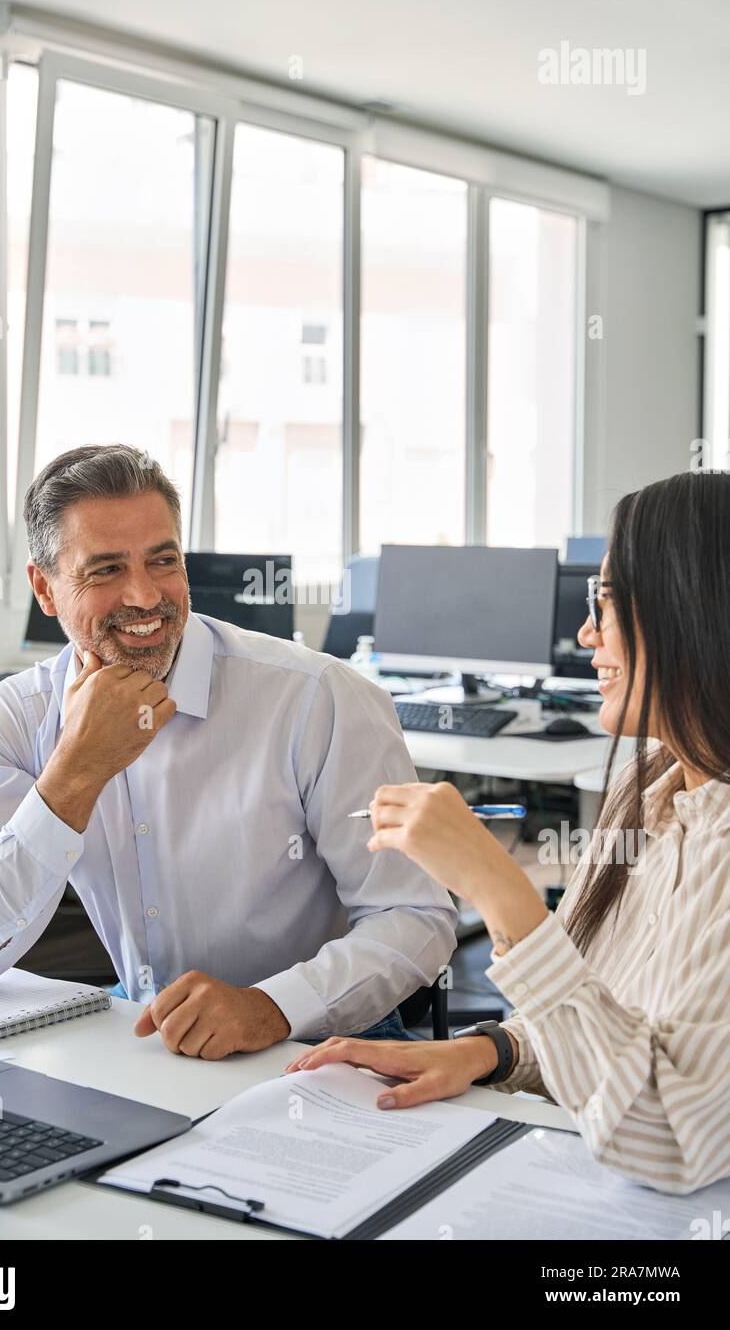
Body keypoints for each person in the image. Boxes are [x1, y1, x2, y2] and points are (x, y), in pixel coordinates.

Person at [0, 444, 457, 1058]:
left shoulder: (317, 698)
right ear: (44, 589)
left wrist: (271, 1007)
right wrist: (76, 768)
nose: (147, 597)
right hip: (149, 1030)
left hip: (322, 1037)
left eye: (163, 560)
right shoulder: (19, 715)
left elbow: (417, 916)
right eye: (105, 570)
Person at [287, 471, 730, 1195]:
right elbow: (603, 1018)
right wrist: (489, 1052)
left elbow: (668, 1140)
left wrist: (497, 886)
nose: (587, 634)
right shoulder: (646, 786)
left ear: (693, 613)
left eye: (608, 605)